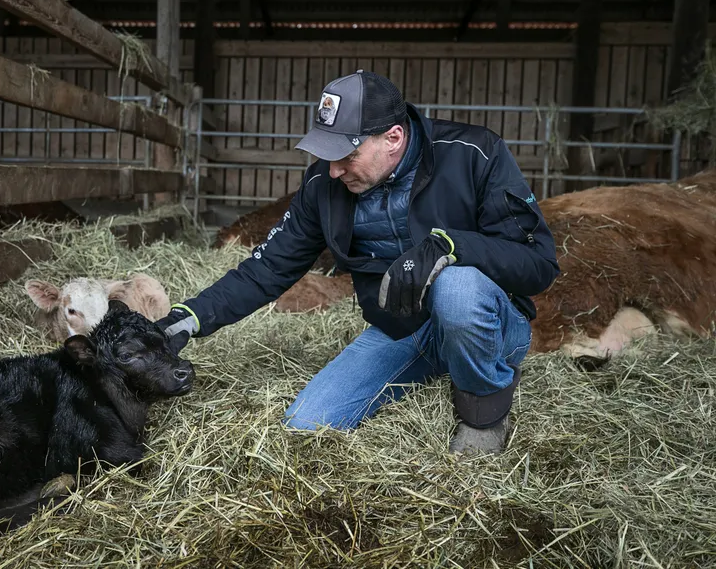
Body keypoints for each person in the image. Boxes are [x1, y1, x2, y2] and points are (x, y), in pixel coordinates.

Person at [157, 70, 560, 454]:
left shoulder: (474, 154)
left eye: (346, 155)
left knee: (457, 289)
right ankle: (439, 360)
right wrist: (191, 316)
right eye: (327, 154)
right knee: (307, 423)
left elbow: (539, 264)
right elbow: (269, 266)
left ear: (393, 137)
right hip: (404, 328)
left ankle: (484, 413)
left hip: (490, 323)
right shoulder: (324, 186)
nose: (333, 171)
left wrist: (451, 246)